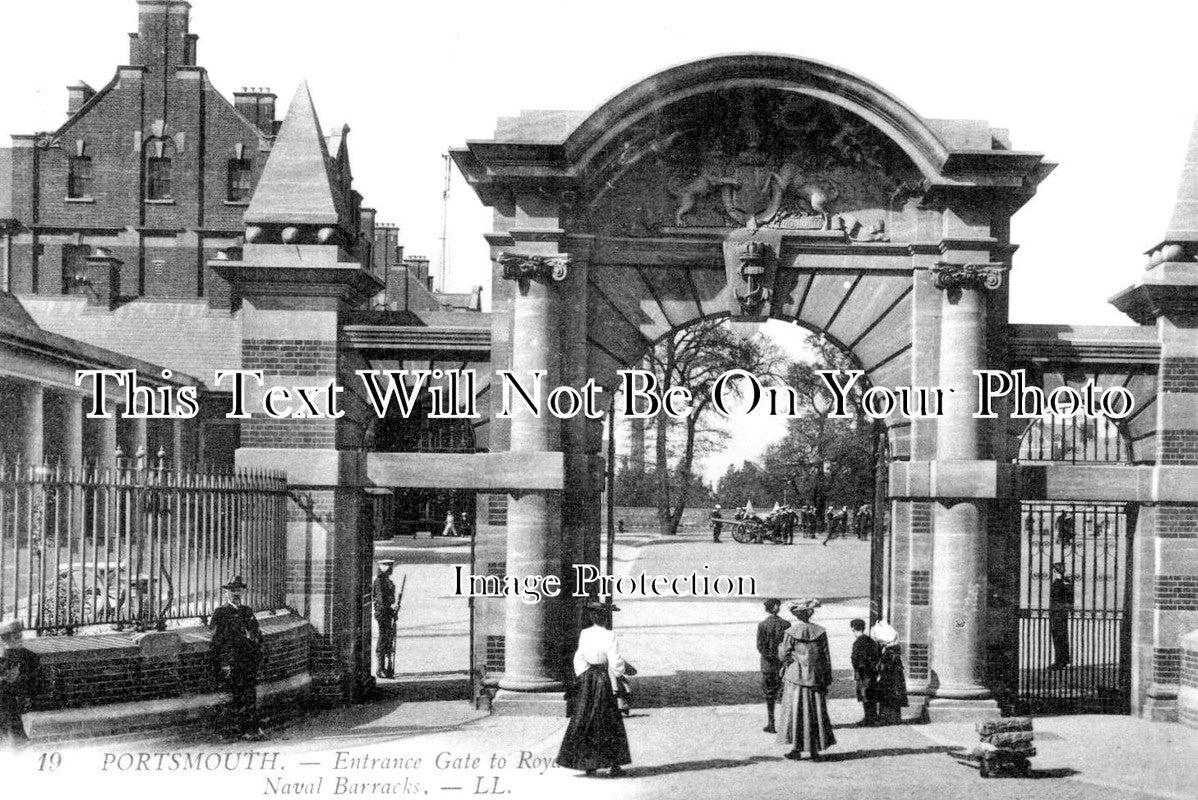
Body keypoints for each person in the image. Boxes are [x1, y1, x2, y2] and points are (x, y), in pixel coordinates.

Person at [556, 600, 631, 777]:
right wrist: (619, 675)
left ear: (591, 617)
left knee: (585, 717)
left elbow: (579, 657)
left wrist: (583, 675)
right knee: (609, 720)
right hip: (603, 679)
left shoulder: (585, 633)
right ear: (605, 617)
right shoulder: (610, 635)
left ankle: (589, 764)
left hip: (588, 678)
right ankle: (614, 764)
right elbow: (615, 662)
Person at [776, 598, 835, 761]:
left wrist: (782, 649)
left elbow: (783, 655)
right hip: (816, 676)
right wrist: (827, 678)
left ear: (796, 614)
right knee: (815, 712)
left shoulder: (791, 632)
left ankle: (796, 748)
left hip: (796, 677)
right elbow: (825, 657)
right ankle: (814, 749)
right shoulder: (820, 632)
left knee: (796, 712)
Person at [209, 575, 265, 740]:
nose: (235, 593)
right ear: (227, 593)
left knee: (250, 694)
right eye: (232, 590)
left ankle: (253, 728)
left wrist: (255, 649)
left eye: (238, 590)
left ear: (242, 592)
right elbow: (218, 642)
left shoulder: (247, 611)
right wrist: (225, 663)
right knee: (237, 696)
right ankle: (242, 730)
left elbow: (256, 633)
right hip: (233, 661)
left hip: (249, 660)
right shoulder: (221, 613)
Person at [0, 619, 38, 747]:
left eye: (20, 636)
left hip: (14, 702)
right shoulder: (6, 656)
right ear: (5, 640)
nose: (20, 640)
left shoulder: (27, 656)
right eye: (16, 637)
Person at [757, 598, 790, 733]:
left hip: (768, 665)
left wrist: (770, 657)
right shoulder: (786, 624)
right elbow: (789, 645)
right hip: (783, 664)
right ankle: (786, 724)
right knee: (785, 694)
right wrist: (782, 659)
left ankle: (771, 723)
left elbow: (760, 646)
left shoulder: (763, 625)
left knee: (769, 695)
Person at [870, 621, 908, 725]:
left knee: (887, 693)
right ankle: (893, 718)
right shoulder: (894, 649)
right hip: (895, 675)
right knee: (893, 694)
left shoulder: (888, 652)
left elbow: (884, 665)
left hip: (888, 675)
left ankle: (887, 718)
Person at [850, 618, 880, 726]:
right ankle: (873, 716)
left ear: (853, 628)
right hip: (871, 671)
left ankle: (869, 718)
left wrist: (856, 669)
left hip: (862, 672)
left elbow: (854, 658)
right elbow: (876, 656)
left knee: (864, 695)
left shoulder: (857, 642)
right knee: (871, 694)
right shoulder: (871, 641)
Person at [373, 559, 398, 678]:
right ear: (385, 568)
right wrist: (391, 605)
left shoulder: (386, 581)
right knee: (383, 638)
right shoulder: (379, 582)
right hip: (382, 613)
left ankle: (386, 667)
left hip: (386, 612)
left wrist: (393, 610)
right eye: (390, 567)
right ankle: (380, 668)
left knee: (388, 638)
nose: (392, 569)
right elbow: (382, 600)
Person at [1049, 562, 1074, 669]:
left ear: (1055, 571)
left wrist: (1060, 579)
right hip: (1058, 612)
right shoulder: (1062, 582)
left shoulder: (1061, 582)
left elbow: (1067, 598)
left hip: (1059, 613)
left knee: (1059, 637)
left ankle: (1060, 661)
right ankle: (1063, 660)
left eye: (1054, 570)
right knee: (1060, 637)